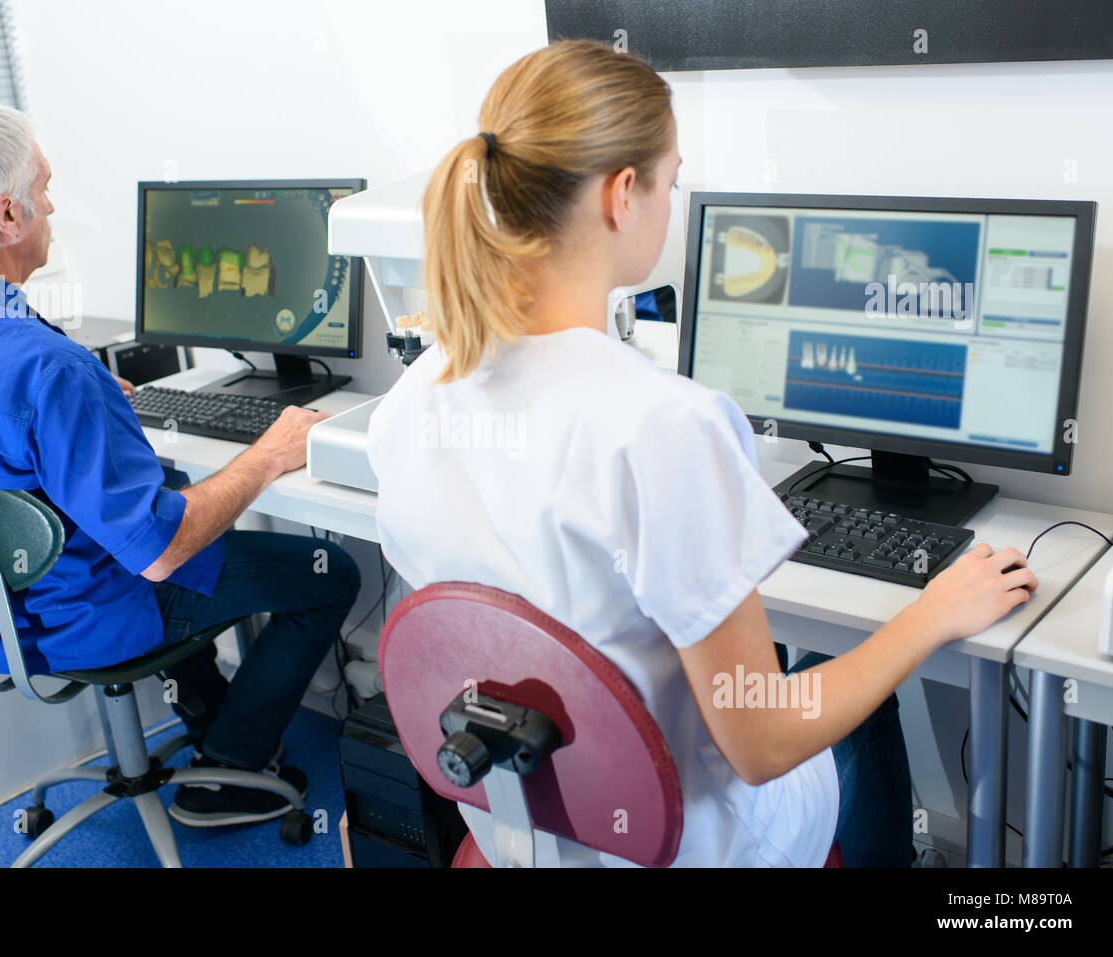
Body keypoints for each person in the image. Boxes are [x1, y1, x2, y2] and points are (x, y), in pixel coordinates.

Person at [366, 39, 1037, 867]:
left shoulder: (410, 400)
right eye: (672, 179)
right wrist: (932, 613)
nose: (672, 200)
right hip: (696, 843)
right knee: (841, 657)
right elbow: (759, 742)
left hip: (527, 825)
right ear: (623, 196)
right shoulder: (662, 424)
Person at [0, 101, 360, 828]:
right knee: (328, 573)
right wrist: (271, 453)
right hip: (95, 612)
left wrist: (78, 397)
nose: (52, 204)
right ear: (7, 215)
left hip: (2, 608)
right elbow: (159, 551)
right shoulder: (46, 371)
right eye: (44, 187)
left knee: (167, 491)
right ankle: (236, 769)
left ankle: (210, 719)